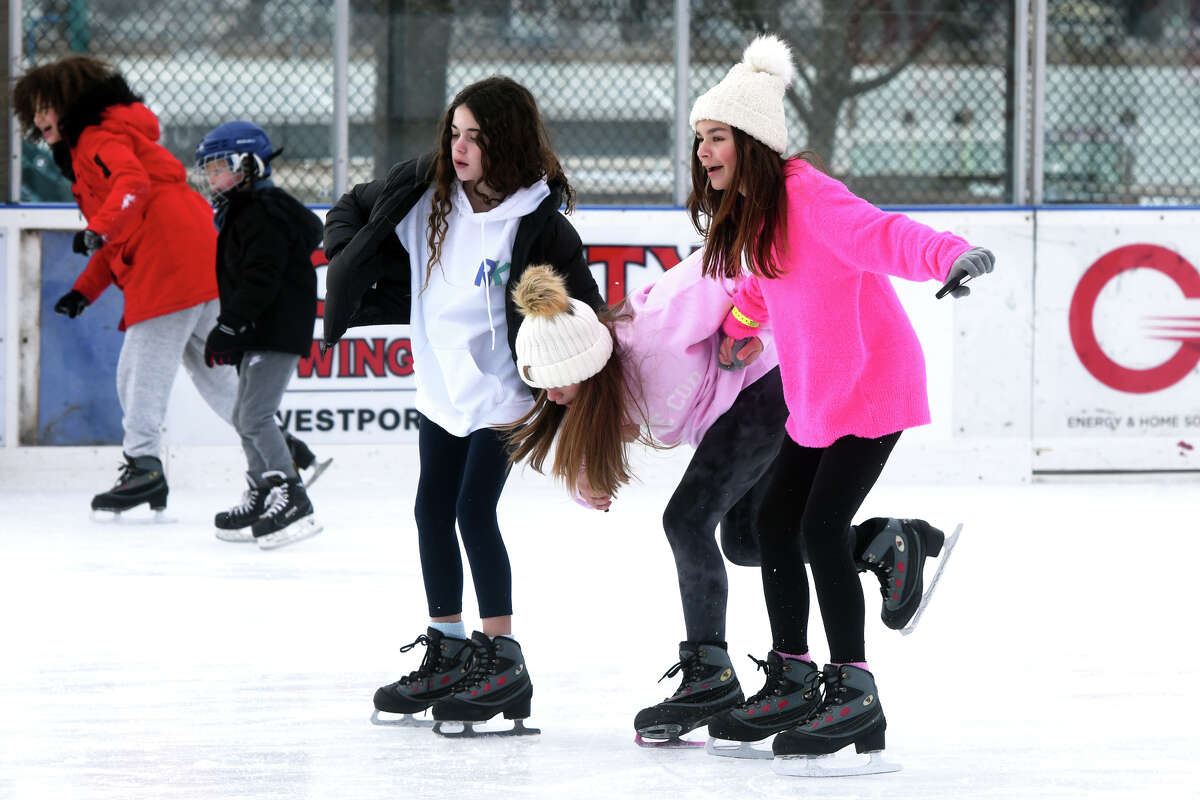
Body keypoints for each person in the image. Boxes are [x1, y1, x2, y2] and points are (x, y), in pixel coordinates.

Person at [684, 34, 994, 771]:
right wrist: (740, 328)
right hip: (818, 396)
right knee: (767, 523)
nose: (703, 151)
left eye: (717, 137)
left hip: (872, 385)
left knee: (820, 529)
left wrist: (949, 253)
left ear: (753, 141)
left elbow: (882, 234)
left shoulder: (809, 196)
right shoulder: (756, 213)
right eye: (699, 138)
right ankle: (792, 678)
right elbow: (764, 283)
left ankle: (853, 689)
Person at [505, 262, 956, 751]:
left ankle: (709, 673)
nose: (551, 396)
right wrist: (584, 480)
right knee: (745, 542)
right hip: (734, 417)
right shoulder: (585, 395)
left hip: (766, 388)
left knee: (686, 519)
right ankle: (879, 542)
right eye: (542, 385)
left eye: (558, 383)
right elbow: (588, 440)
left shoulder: (657, 324)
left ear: (586, 366)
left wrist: (754, 328)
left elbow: (739, 265)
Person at [321, 76, 604, 734]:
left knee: (474, 511)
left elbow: (584, 311)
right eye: (455, 133)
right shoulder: (423, 190)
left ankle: (502, 657)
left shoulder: (538, 223)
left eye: (476, 136)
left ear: (504, 143)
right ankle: (447, 647)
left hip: (504, 391)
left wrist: (569, 374)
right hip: (440, 386)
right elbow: (347, 210)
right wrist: (349, 256)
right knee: (429, 510)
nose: (460, 147)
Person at [12, 57, 227, 516]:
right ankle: (281, 448)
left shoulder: (96, 138)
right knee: (214, 371)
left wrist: (98, 228)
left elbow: (131, 190)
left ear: (71, 105)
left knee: (138, 371)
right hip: (194, 254)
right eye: (33, 110)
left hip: (168, 260)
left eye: (46, 107)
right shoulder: (107, 139)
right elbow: (121, 229)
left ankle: (143, 466)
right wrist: (84, 290)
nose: (38, 119)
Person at [194, 120, 324, 550]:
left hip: (276, 329)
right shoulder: (243, 209)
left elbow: (261, 278)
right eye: (208, 170)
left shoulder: (263, 211)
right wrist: (235, 328)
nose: (212, 178)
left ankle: (291, 492)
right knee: (242, 415)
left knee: (255, 415)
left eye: (219, 168)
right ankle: (264, 489)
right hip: (259, 330)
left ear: (249, 164)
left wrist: (229, 325)